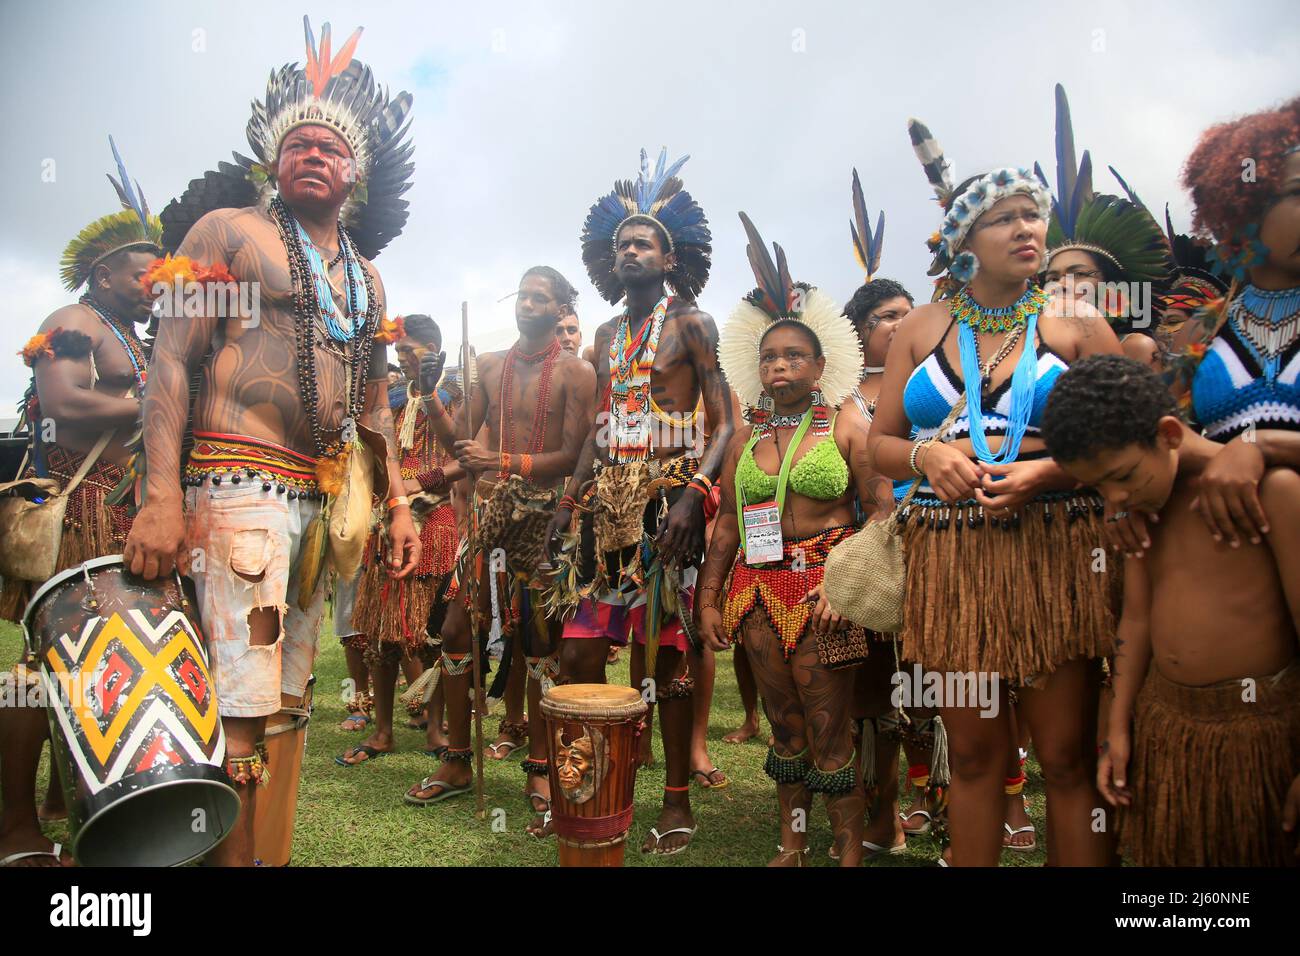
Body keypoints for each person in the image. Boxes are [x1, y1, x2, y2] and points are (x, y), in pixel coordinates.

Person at [122, 18, 420, 866]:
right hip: (237, 486)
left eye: (329, 147)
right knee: (241, 700)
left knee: (289, 694)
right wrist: (160, 497)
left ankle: (265, 857)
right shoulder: (225, 232)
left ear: (352, 171)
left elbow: (373, 405)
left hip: (319, 504)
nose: (313, 155)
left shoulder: (367, 280)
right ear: (273, 161)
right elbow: (171, 363)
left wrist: (397, 504)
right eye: (298, 145)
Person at [863, 119, 1122, 866]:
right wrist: (925, 454)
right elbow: (880, 446)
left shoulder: (1075, 322)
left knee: (1065, 759)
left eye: (1032, 214)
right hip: (951, 561)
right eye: (1003, 217)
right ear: (964, 240)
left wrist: (1055, 471)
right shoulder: (920, 326)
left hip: (1057, 549)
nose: (1026, 228)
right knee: (976, 759)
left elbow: (1128, 442)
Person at [548, 148, 736, 854]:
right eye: (622, 242)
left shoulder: (693, 324)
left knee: (668, 661)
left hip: (666, 502)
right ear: (611, 257)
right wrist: (570, 500)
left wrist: (695, 494)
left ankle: (677, 798)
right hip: (605, 508)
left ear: (668, 256)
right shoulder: (603, 334)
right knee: (579, 652)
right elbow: (601, 421)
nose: (631, 250)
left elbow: (723, 421)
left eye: (644, 242)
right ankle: (595, 782)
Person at [1042, 354, 1300, 865]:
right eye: (1098, 488)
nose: (1114, 497)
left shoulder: (1274, 492)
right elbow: (1136, 619)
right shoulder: (1144, 510)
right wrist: (1117, 728)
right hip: (1170, 730)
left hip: (1262, 733)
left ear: (1168, 434)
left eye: (1122, 476)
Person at [0, 139, 160, 867]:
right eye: (143, 269)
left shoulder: (131, 335)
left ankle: (76, 800)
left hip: (121, 513)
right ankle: (15, 826)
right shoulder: (73, 319)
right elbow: (60, 403)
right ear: (104, 273)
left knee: (104, 661)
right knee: (41, 672)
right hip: (79, 511)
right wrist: (149, 400)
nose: (157, 280)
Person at [697, 213, 871, 866]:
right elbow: (723, 525)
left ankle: (848, 852)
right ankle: (792, 846)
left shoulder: (846, 425)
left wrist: (850, 584)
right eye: (769, 355)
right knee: (786, 727)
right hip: (758, 590)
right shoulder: (746, 435)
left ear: (821, 363)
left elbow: (880, 513)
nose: (779, 365)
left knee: (831, 728)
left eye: (794, 354)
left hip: (828, 587)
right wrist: (710, 598)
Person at [404, 267, 594, 838]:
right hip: (491, 512)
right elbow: (460, 443)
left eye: (541, 298)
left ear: (561, 307)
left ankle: (539, 769)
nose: (527, 305)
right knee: (459, 629)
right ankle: (457, 761)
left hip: (543, 515)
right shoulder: (489, 365)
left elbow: (573, 453)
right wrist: (429, 392)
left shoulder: (577, 372)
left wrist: (504, 464)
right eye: (523, 295)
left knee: (539, 640)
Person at [336, 315, 463, 765]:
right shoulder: (388, 399)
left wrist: (420, 481)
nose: (404, 359)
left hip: (437, 521)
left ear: (433, 347)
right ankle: (384, 731)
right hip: (388, 518)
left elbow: (465, 458)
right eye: (400, 352)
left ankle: (434, 730)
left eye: (411, 351)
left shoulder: (456, 396)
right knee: (380, 633)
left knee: (433, 634)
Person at [1037, 85, 1176, 372]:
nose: (1061, 284)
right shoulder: (1028, 348)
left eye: (1079, 274)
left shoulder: (1135, 347)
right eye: (1051, 277)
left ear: (1113, 286)